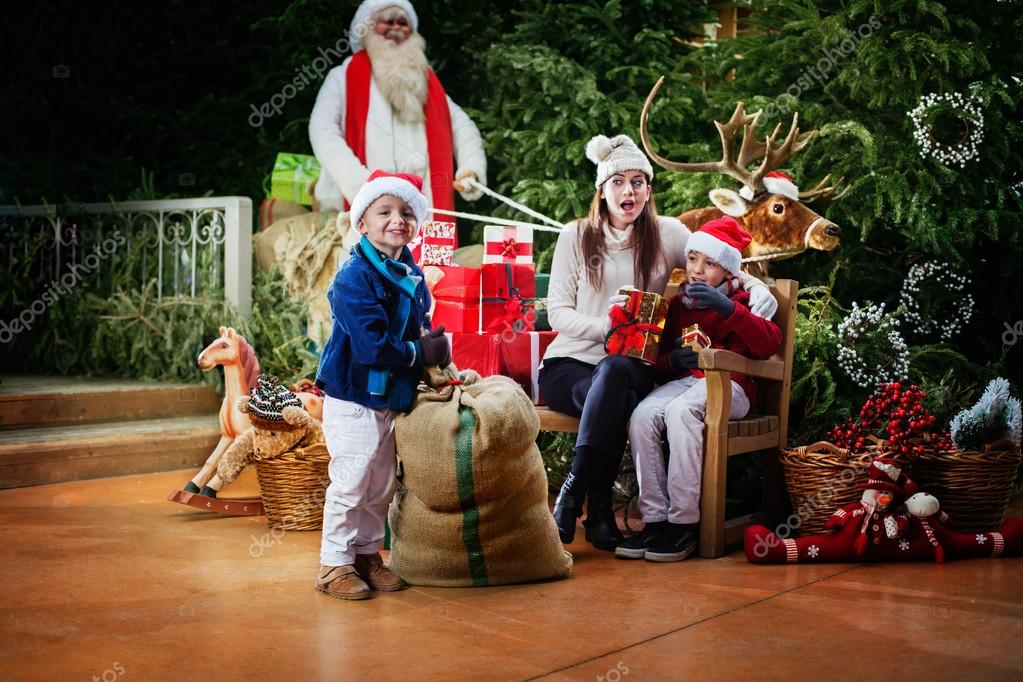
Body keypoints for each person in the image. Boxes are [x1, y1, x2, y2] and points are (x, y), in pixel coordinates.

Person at [539, 134, 778, 551]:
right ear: (602, 190)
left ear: (649, 190)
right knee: (612, 390)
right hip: (572, 363)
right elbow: (557, 312)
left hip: (628, 363)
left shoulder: (666, 234)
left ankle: (573, 493)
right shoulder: (575, 236)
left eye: (637, 181)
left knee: (616, 374)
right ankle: (594, 506)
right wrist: (607, 328)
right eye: (617, 182)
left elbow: (714, 256)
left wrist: (752, 284)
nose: (628, 191)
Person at [314, 170, 451, 600]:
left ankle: (367, 553)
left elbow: (419, 321)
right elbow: (373, 346)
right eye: (385, 211)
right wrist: (419, 353)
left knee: (381, 483)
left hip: (390, 396)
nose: (398, 220)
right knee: (352, 479)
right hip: (354, 394)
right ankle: (333, 563)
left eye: (407, 213)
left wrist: (436, 360)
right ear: (363, 223)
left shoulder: (407, 269)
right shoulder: (354, 276)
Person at [618, 216, 782, 562]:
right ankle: (655, 518)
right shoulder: (678, 306)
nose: (697, 270)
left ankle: (683, 524)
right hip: (685, 382)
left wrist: (728, 308)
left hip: (730, 387)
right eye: (693, 259)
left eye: (710, 264)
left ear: (727, 271)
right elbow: (659, 362)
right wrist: (674, 360)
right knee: (642, 415)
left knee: (681, 413)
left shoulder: (744, 299)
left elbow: (769, 343)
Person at [309, 0, 487, 219]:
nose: (396, 28)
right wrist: (361, 183)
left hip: (421, 210)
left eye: (403, 22)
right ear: (368, 28)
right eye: (387, 21)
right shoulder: (342, 77)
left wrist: (471, 168)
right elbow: (322, 130)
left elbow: (462, 126)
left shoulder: (429, 83)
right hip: (361, 204)